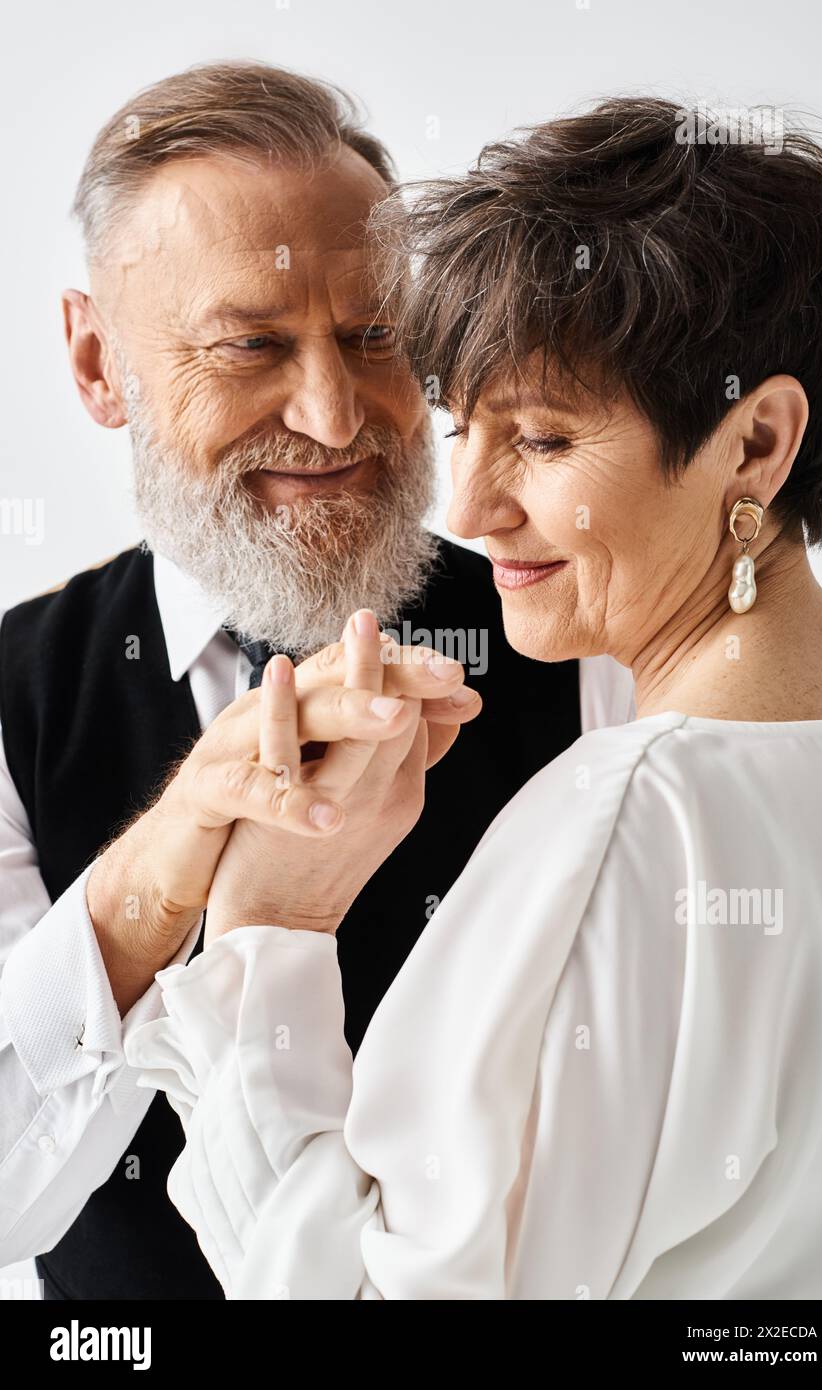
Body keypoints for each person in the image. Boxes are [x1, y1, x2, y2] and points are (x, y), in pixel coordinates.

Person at [126, 97, 822, 1299]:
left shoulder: (631, 817)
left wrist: (271, 924)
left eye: (543, 441)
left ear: (756, 442)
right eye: (465, 426)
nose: (467, 510)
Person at [0, 63, 634, 1301]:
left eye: (374, 337)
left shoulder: (582, 645)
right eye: (250, 345)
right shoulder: (14, 696)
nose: (338, 418)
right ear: (95, 361)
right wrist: (171, 853)